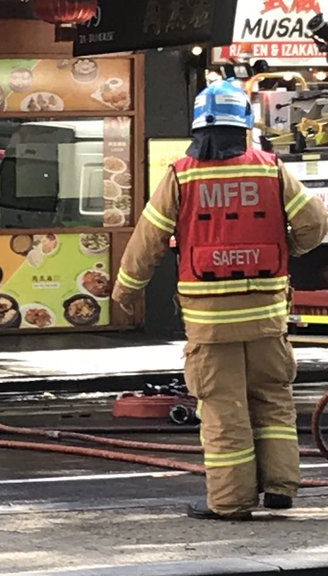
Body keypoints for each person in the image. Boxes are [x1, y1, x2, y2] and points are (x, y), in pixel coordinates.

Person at [111, 79, 328, 520]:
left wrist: (125, 290)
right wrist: (286, 247)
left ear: (197, 128)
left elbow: (148, 239)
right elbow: (314, 224)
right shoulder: (270, 169)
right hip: (268, 321)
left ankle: (230, 501)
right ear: (243, 125)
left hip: (212, 326)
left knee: (223, 409)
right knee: (272, 400)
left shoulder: (181, 175)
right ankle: (282, 487)